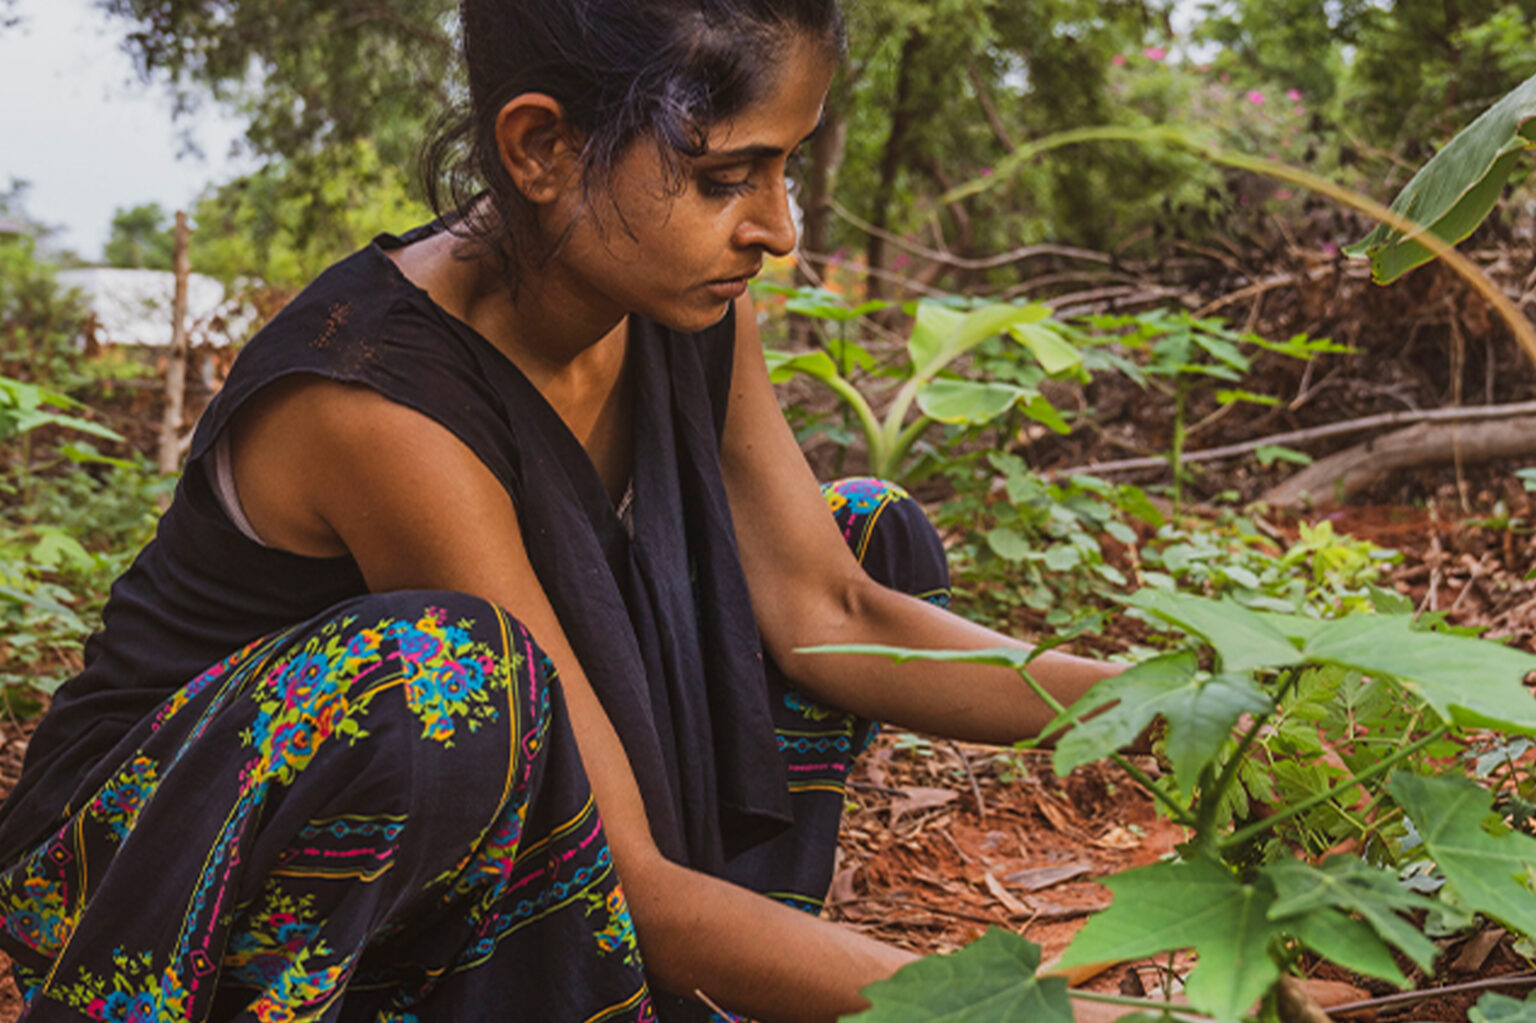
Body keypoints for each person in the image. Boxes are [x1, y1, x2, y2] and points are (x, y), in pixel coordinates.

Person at [0, 2, 1123, 1020]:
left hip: (509, 807)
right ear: (541, 148)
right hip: (149, 878)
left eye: (787, 168)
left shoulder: (682, 309)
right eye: (731, 177)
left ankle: (697, 985)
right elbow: (628, 877)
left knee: (867, 531)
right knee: (449, 674)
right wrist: (1010, 1010)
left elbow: (834, 609)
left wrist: (1172, 707)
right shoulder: (377, 402)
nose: (778, 230)